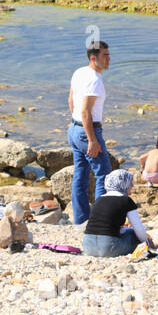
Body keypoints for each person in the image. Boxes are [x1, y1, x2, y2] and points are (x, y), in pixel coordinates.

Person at [67, 40, 111, 224]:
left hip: (74, 129)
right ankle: (99, 222)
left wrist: (77, 126)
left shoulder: (79, 72)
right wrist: (92, 140)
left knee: (81, 175)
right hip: (88, 131)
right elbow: (85, 111)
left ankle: (81, 220)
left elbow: (71, 101)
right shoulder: (94, 79)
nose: (109, 59)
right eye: (104, 56)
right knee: (104, 176)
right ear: (93, 58)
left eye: (108, 55)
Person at [81, 170, 148, 257]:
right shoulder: (126, 200)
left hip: (87, 247)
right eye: (130, 182)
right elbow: (139, 229)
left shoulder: (99, 200)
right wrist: (148, 243)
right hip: (109, 248)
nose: (132, 186)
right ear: (123, 184)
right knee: (133, 234)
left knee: (126, 231)